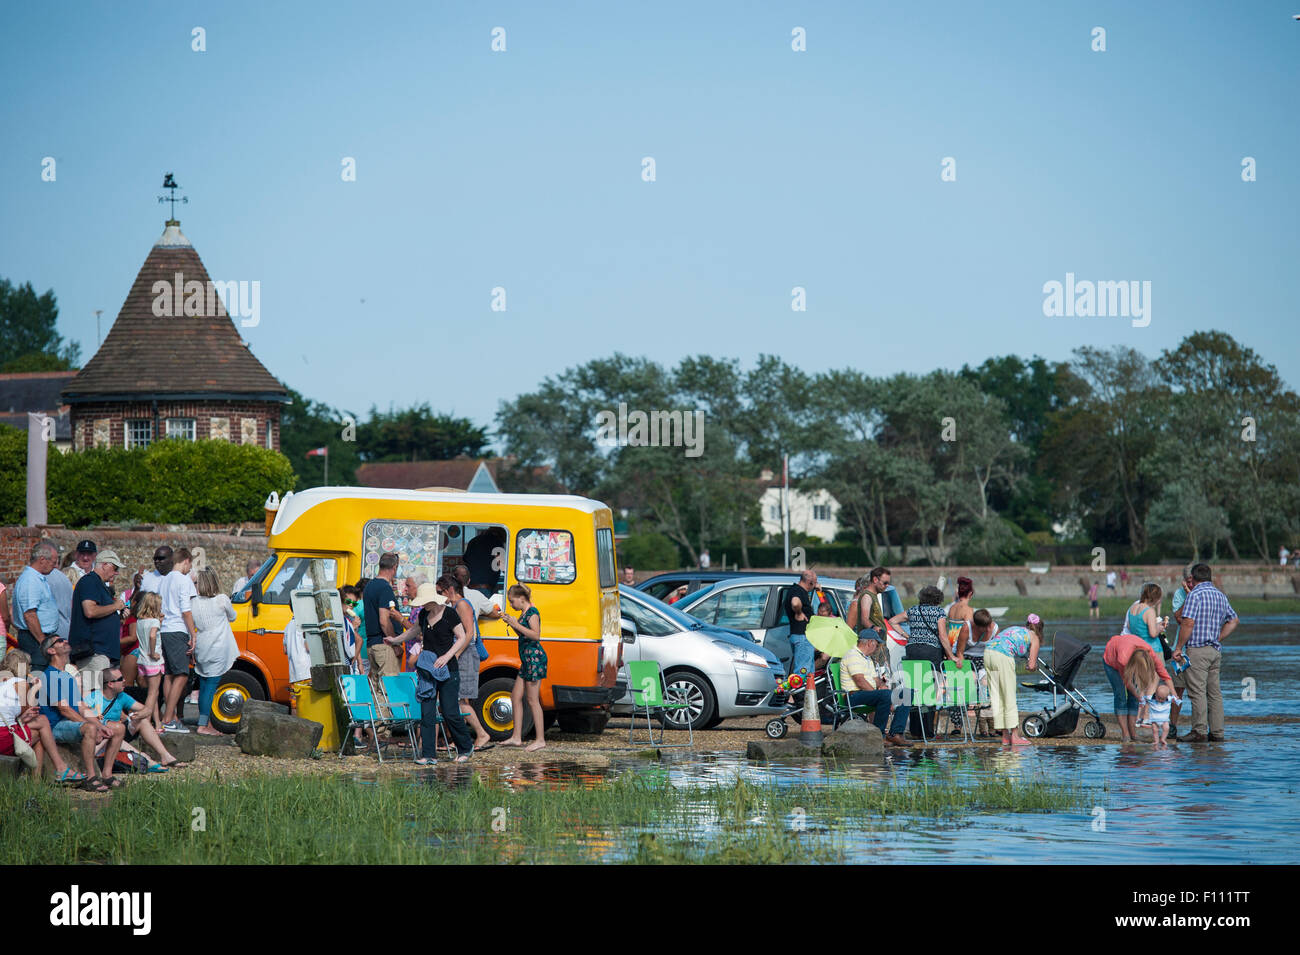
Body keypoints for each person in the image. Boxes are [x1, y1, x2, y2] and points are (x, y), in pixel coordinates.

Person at [38, 634, 123, 792]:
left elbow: (81, 706)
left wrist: (99, 725)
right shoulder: (49, 675)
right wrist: (92, 726)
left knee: (119, 728)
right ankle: (91, 778)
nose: (65, 641)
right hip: (55, 726)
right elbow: (64, 709)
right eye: (59, 641)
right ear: (51, 651)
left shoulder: (67, 676)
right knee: (89, 728)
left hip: (70, 722)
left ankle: (106, 773)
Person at [403, 583, 474, 763]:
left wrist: (448, 656)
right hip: (428, 670)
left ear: (433, 600)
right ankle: (428, 755)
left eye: (425, 602)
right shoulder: (424, 614)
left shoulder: (449, 613)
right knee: (427, 712)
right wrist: (395, 640)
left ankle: (465, 748)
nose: (422, 605)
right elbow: (414, 630)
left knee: (450, 711)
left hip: (448, 670)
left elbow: (462, 637)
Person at [1173, 563, 1238, 743]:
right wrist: (1218, 637)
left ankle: (1199, 731)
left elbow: (1187, 623)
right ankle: (1217, 732)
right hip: (1215, 651)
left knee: (1197, 692)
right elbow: (1233, 620)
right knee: (1215, 693)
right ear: (1210, 577)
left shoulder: (1195, 595)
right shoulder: (1220, 596)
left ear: (1193, 578)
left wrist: (1178, 647)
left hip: (1197, 650)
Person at [84, 666, 187, 774]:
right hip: (99, 739)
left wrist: (139, 715)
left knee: (141, 721)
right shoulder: (94, 698)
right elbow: (85, 719)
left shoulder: (121, 696)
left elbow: (146, 710)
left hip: (116, 733)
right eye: (120, 679)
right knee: (111, 731)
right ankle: (145, 758)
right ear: (110, 684)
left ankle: (165, 756)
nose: (124, 681)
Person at [0, 648, 82, 783]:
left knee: (40, 733)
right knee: (43, 721)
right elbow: (29, 709)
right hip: (3, 737)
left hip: (5, 730)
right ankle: (58, 770)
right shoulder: (20, 683)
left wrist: (23, 717)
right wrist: (35, 688)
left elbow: (15, 715)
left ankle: (38, 782)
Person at [437, 574, 493, 750]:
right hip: (461, 654)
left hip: (466, 655)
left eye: (440, 592)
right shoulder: (455, 605)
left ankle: (482, 734)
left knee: (460, 699)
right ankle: (458, 739)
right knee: (455, 698)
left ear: (450, 590)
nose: (439, 595)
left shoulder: (462, 604)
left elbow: (469, 634)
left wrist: (456, 655)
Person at [1102, 631, 1175, 743]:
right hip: (1111, 661)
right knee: (1121, 695)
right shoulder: (1123, 659)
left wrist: (1174, 695)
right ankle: (1125, 734)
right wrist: (1140, 696)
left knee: (1134, 698)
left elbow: (1165, 675)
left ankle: (1133, 734)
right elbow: (1127, 682)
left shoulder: (1151, 654)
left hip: (1128, 651)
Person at [499, 583, 546, 751]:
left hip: (534, 659)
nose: (511, 605)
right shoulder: (524, 613)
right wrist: (511, 623)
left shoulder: (533, 612)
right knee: (515, 696)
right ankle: (516, 737)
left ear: (521, 599)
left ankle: (540, 739)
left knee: (533, 700)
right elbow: (523, 633)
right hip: (526, 660)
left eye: (512, 601)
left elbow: (535, 635)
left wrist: (515, 624)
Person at [983, 613, 1043, 746]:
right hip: (1003, 656)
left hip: (988, 653)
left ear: (1027, 624)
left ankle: (1005, 736)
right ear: (1040, 629)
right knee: (1009, 696)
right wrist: (1032, 666)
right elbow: (1031, 666)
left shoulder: (1016, 629)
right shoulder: (1035, 638)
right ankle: (1015, 736)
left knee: (997, 696)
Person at [839, 632, 908, 745]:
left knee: (906, 693)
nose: (877, 648)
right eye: (876, 644)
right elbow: (860, 681)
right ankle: (878, 736)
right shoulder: (852, 655)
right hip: (853, 695)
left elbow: (876, 679)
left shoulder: (867, 658)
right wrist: (885, 695)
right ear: (870, 642)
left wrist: (882, 686)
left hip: (866, 694)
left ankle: (895, 733)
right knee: (885, 695)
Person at [191, 569, 238, 736]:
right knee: (211, 686)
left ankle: (206, 722)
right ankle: (203, 725)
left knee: (204, 685)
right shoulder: (222, 599)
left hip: (202, 647)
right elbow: (233, 617)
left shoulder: (193, 602)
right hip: (218, 647)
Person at [158, 547, 197, 733]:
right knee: (182, 674)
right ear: (186, 560)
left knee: (169, 674)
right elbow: (186, 610)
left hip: (164, 629)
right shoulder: (184, 580)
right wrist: (193, 634)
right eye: (190, 564)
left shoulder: (164, 580)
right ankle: (168, 718)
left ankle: (170, 716)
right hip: (177, 629)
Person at [69, 549, 127, 676]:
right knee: (94, 692)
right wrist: (115, 606)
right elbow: (90, 611)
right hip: (94, 652)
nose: (116, 573)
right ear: (104, 564)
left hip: (102, 652)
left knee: (100, 692)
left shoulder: (99, 584)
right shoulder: (90, 581)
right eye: (115, 568)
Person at [12, 541, 61, 668]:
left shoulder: (37, 578)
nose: (55, 566)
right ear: (42, 559)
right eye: (53, 562)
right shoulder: (30, 581)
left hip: (38, 637)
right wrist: (43, 642)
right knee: (37, 675)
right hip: (35, 640)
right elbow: (30, 615)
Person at [363, 554, 404, 682]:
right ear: (394, 567)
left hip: (372, 645)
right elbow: (384, 621)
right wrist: (395, 643)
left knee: (377, 689)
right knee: (388, 689)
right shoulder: (385, 588)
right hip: (385, 645)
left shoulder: (370, 585)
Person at [1166, 569, 1196, 738]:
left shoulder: (1204, 592)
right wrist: (1188, 595)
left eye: (1193, 580)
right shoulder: (1179, 594)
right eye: (1188, 581)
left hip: (1198, 647)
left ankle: (1198, 727)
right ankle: (1172, 726)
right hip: (1181, 648)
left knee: (1198, 690)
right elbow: (1179, 619)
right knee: (1177, 689)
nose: (1191, 584)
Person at [131, 592, 166, 731]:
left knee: (153, 693)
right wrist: (153, 652)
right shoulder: (154, 622)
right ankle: (142, 717)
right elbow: (152, 636)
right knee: (152, 693)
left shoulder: (140, 621)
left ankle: (157, 723)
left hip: (142, 660)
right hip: (153, 661)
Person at [846, 567, 891, 666]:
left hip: (878, 645)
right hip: (872, 646)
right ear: (875, 580)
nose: (887, 586)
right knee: (880, 677)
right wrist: (874, 628)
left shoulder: (872, 596)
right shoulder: (867, 596)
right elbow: (864, 619)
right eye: (885, 583)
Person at [785, 570, 819, 679]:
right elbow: (795, 602)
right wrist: (799, 613)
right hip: (802, 637)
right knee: (802, 674)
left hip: (802, 637)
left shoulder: (799, 590)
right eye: (814, 583)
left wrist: (818, 590)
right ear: (809, 583)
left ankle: (805, 695)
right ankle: (796, 696)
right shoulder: (797, 591)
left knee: (809, 674)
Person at [1123, 583, 1167, 659]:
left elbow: (1129, 626)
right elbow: (1153, 634)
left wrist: (1156, 625)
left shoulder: (1132, 608)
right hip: (1153, 650)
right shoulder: (1150, 611)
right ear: (1155, 598)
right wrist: (1159, 628)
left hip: (1137, 651)